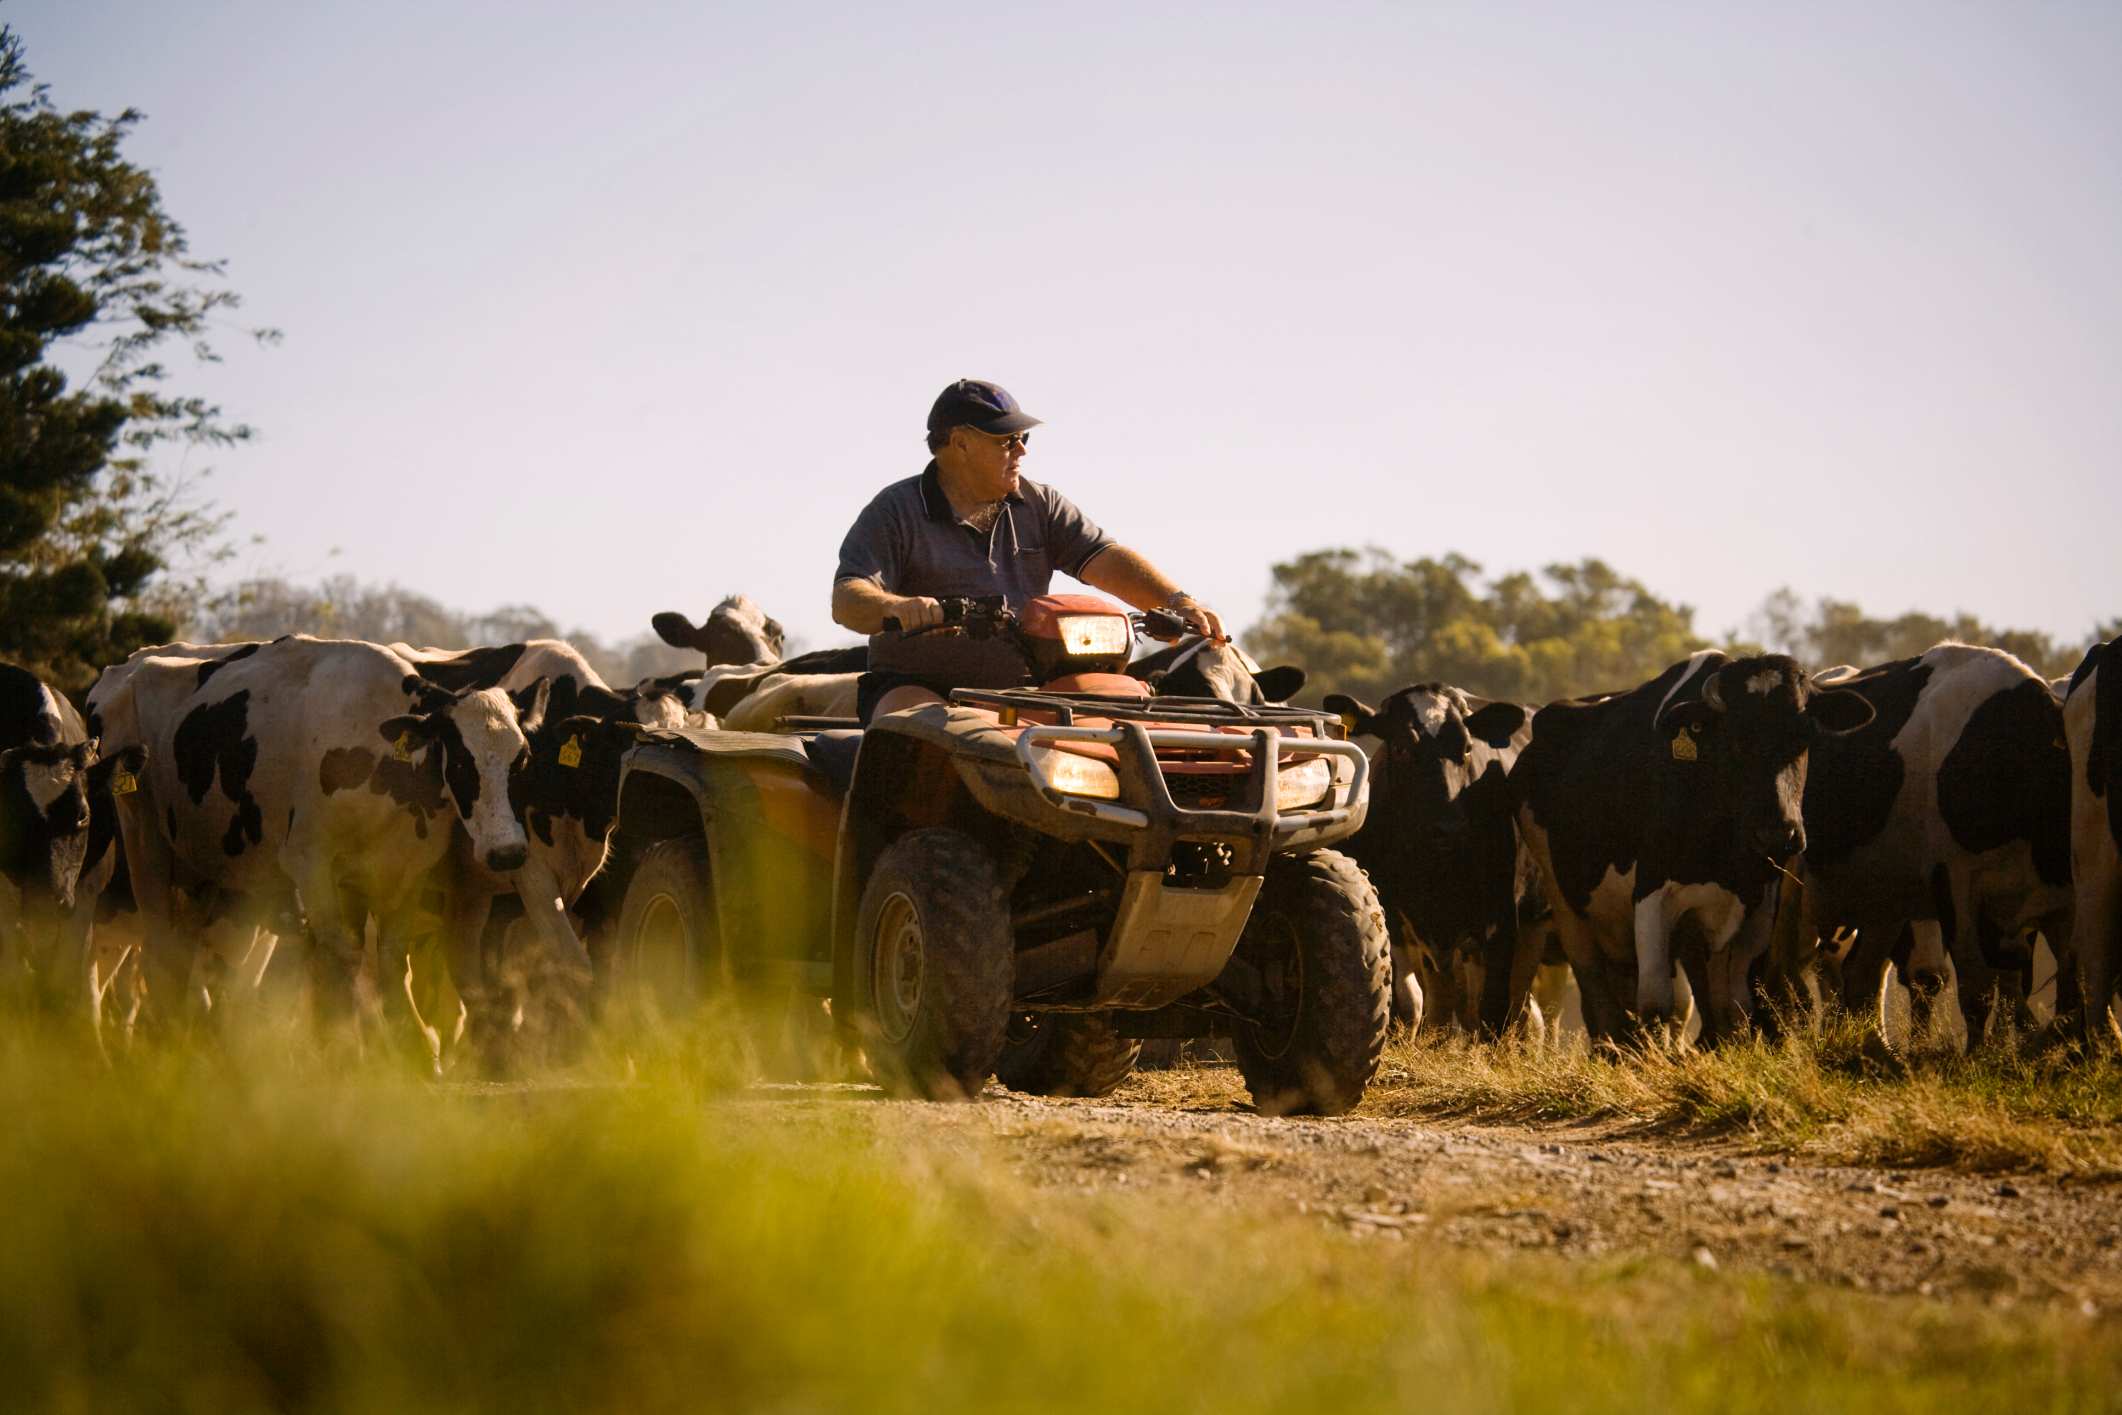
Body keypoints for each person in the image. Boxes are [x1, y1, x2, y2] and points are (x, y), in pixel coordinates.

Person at [832, 378, 1225, 720]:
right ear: (960, 443)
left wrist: (1177, 601)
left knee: (1127, 716)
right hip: (919, 685)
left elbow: (1105, 558)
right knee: (919, 728)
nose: (1021, 450)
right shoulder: (895, 511)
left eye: (1024, 438)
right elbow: (847, 599)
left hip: (1032, 687)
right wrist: (898, 608)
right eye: (1007, 440)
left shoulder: (1041, 504)